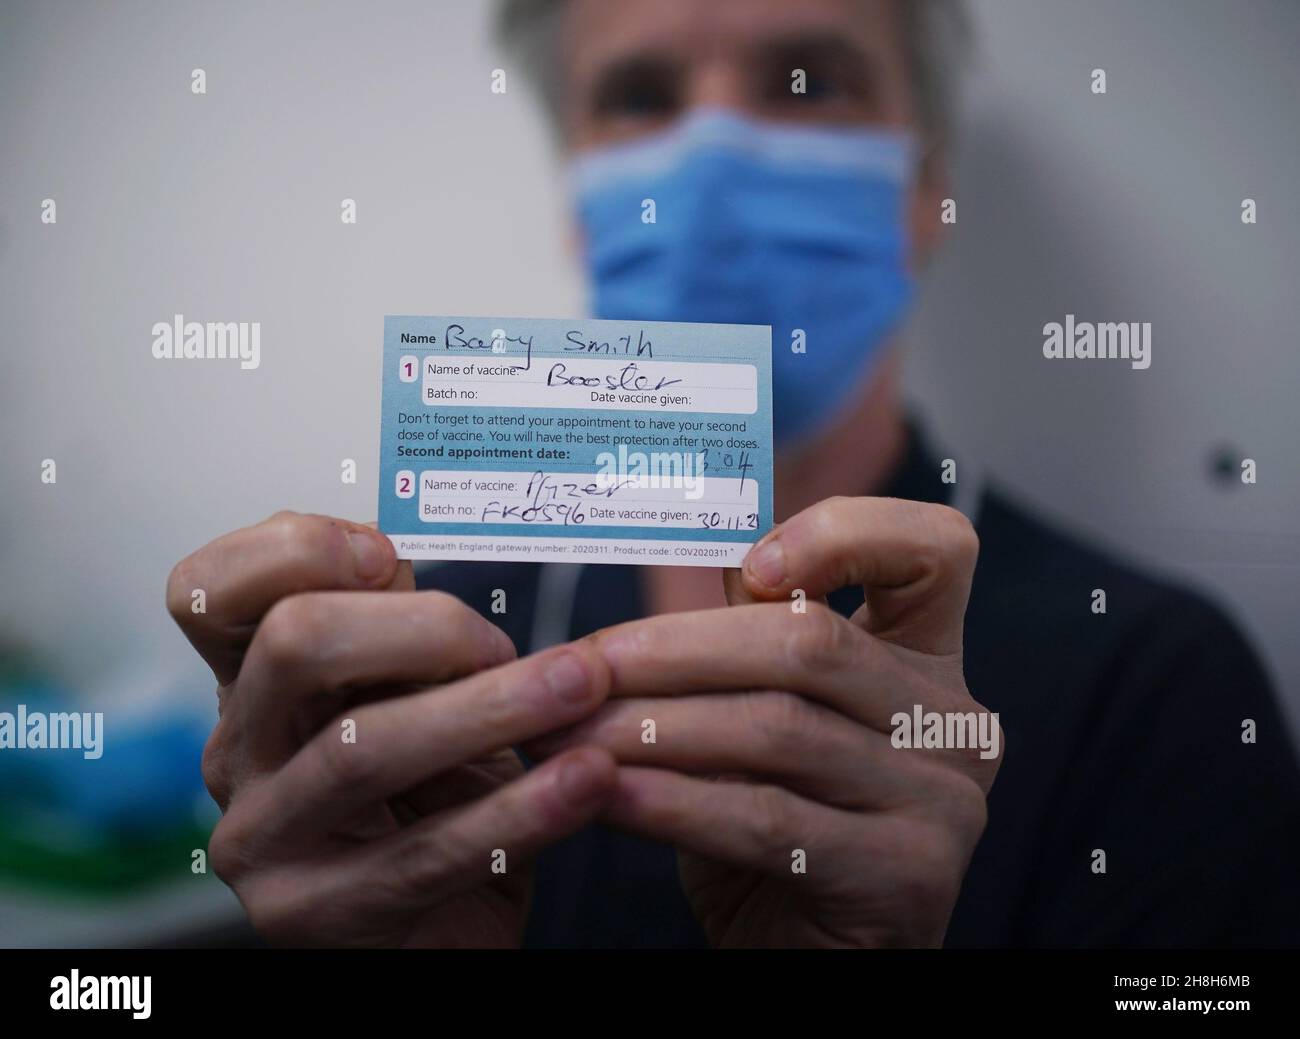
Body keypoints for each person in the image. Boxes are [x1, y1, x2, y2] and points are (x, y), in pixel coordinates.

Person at [167, 0, 1300, 947]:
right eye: (641, 96)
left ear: (924, 193)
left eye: (807, 82)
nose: (712, 163)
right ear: (577, 204)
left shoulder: (1154, 683)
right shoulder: (424, 650)